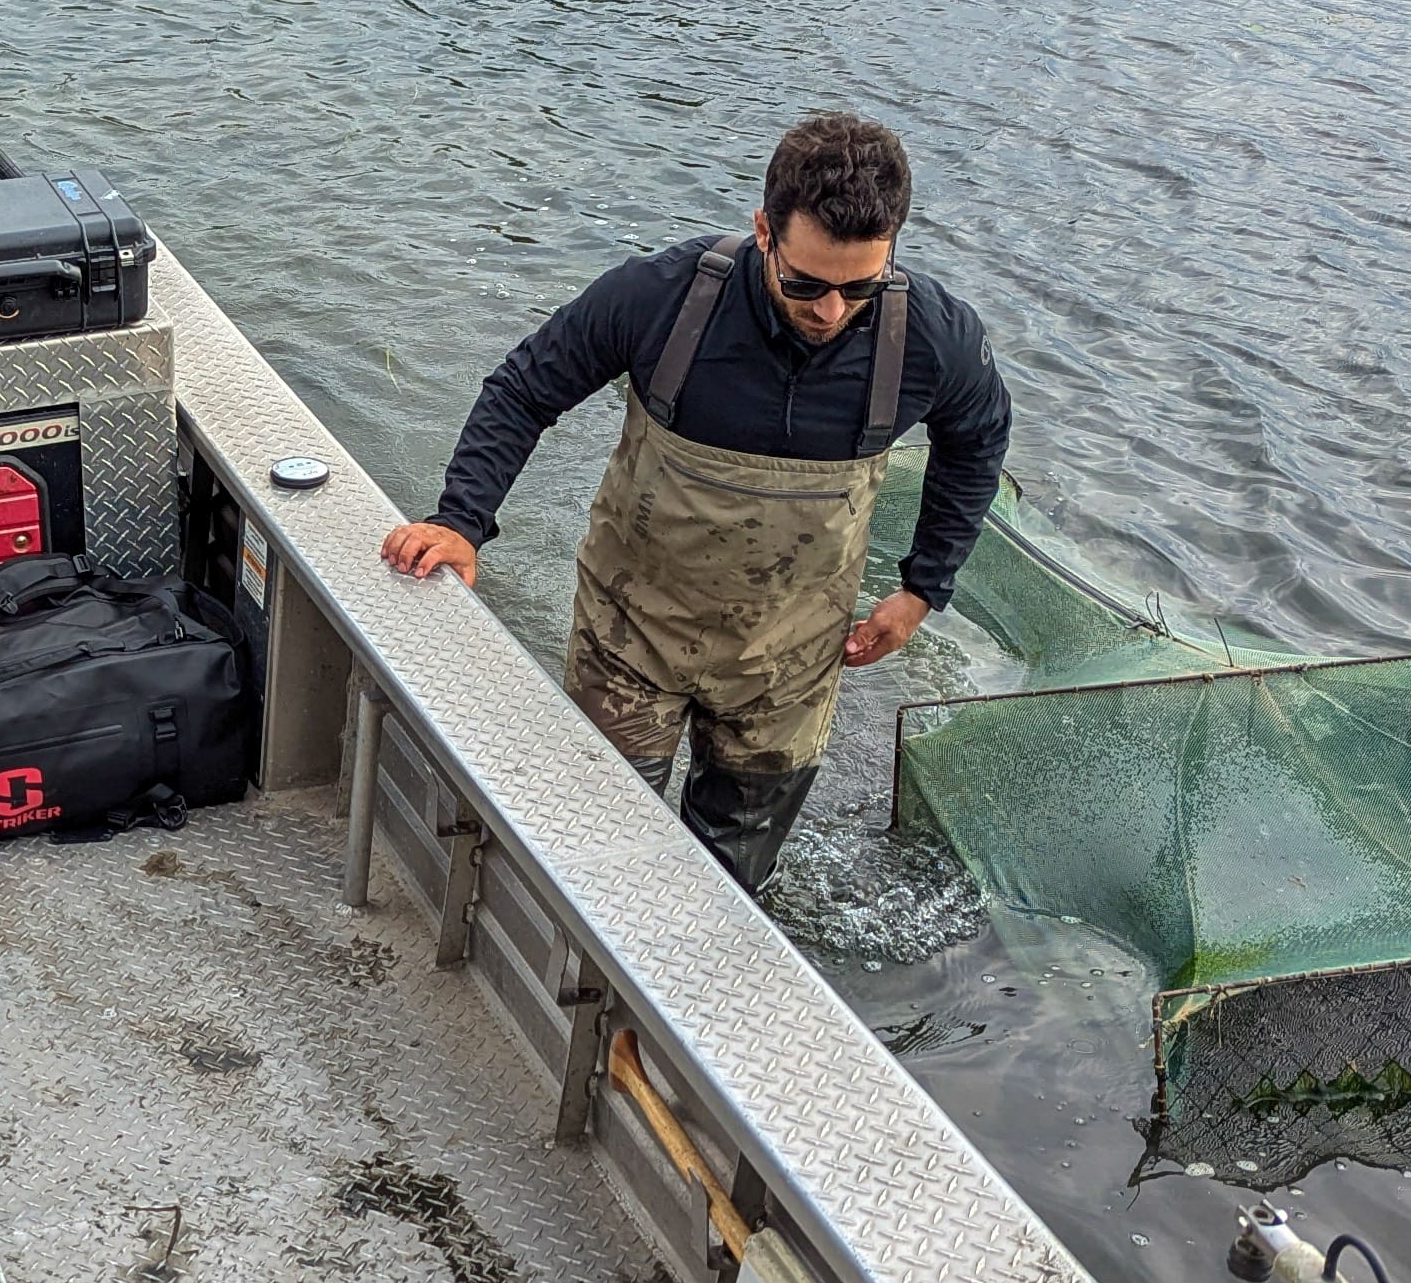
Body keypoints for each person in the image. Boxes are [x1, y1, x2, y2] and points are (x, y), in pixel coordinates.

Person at [383, 113, 1011, 896]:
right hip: (632, 640)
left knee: (727, 889)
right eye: (806, 284)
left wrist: (923, 588)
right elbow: (523, 390)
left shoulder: (934, 340)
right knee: (596, 862)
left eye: (860, 287)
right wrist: (460, 521)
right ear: (763, 231)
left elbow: (978, 441)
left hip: (788, 666)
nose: (830, 311)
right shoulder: (663, 297)